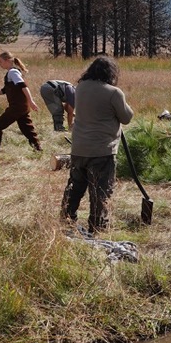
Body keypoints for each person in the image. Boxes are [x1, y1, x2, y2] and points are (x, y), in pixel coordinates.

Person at [63, 56, 134, 233]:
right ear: (111, 73)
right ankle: (97, 227)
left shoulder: (81, 88)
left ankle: (66, 219)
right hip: (102, 150)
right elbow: (126, 117)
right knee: (100, 192)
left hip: (79, 148)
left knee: (75, 187)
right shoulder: (114, 93)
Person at [0, 51, 43, 153]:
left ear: (7, 61)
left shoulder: (12, 72)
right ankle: (38, 148)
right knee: (27, 128)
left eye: (1, 62)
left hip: (17, 107)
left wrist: (31, 101)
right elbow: (4, 90)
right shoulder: (12, 73)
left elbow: (23, 86)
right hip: (22, 107)